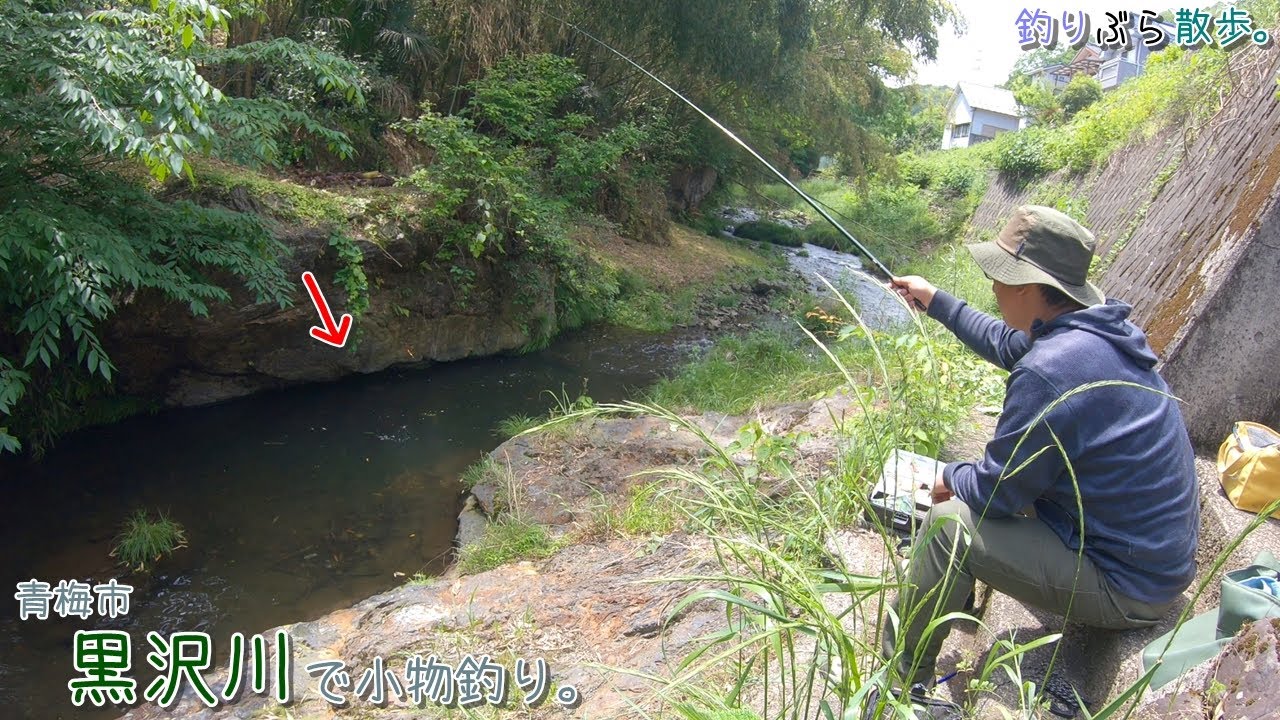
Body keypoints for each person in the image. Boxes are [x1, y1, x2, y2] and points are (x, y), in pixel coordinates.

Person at [882, 205, 1199, 688]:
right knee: (982, 488)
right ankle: (953, 600)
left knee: (949, 526)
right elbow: (1010, 344)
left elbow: (995, 492)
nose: (992, 287)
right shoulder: (1094, 333)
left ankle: (901, 681)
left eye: (998, 277)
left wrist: (946, 476)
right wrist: (936, 300)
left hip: (1128, 587)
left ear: (1028, 286)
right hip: (1152, 561)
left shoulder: (1050, 371)